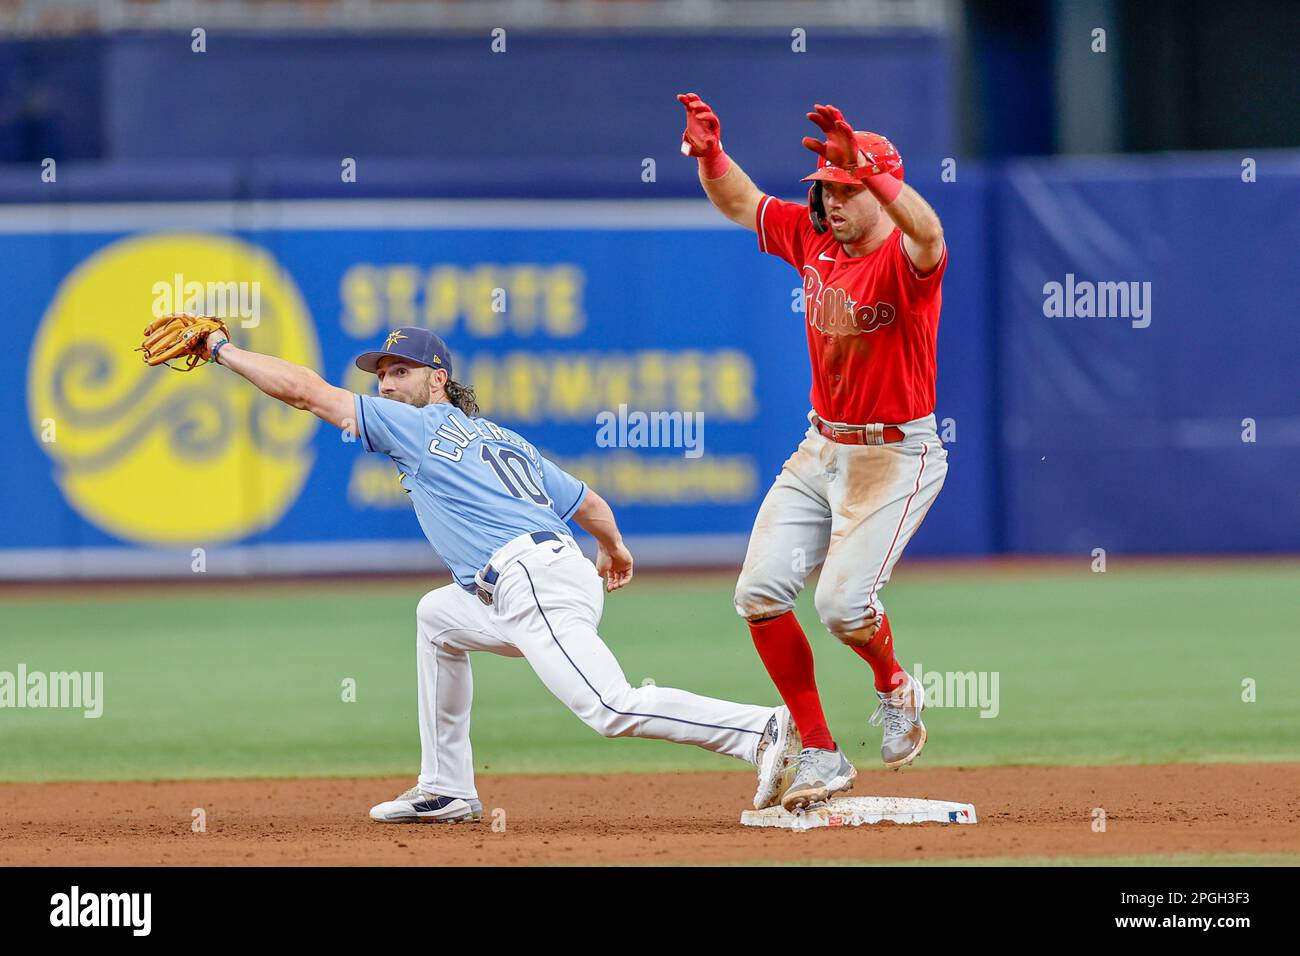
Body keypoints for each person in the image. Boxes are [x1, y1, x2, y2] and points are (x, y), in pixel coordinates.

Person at [196, 324, 800, 822]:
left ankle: (760, 730)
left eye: (400, 371)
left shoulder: (416, 425)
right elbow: (588, 503)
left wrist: (224, 351)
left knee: (609, 707)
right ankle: (447, 787)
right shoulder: (497, 437)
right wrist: (613, 548)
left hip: (529, 577)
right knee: (436, 618)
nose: (384, 383)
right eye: (379, 374)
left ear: (438, 380)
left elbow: (306, 392)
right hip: (542, 576)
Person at [679, 94, 950, 810]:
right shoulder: (813, 236)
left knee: (839, 605)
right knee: (759, 594)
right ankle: (823, 754)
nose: (829, 201)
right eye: (825, 189)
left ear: (879, 193)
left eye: (844, 189)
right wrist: (710, 155)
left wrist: (878, 176)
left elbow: (930, 235)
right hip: (821, 445)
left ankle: (893, 684)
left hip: (897, 455)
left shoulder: (904, 255)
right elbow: (742, 203)